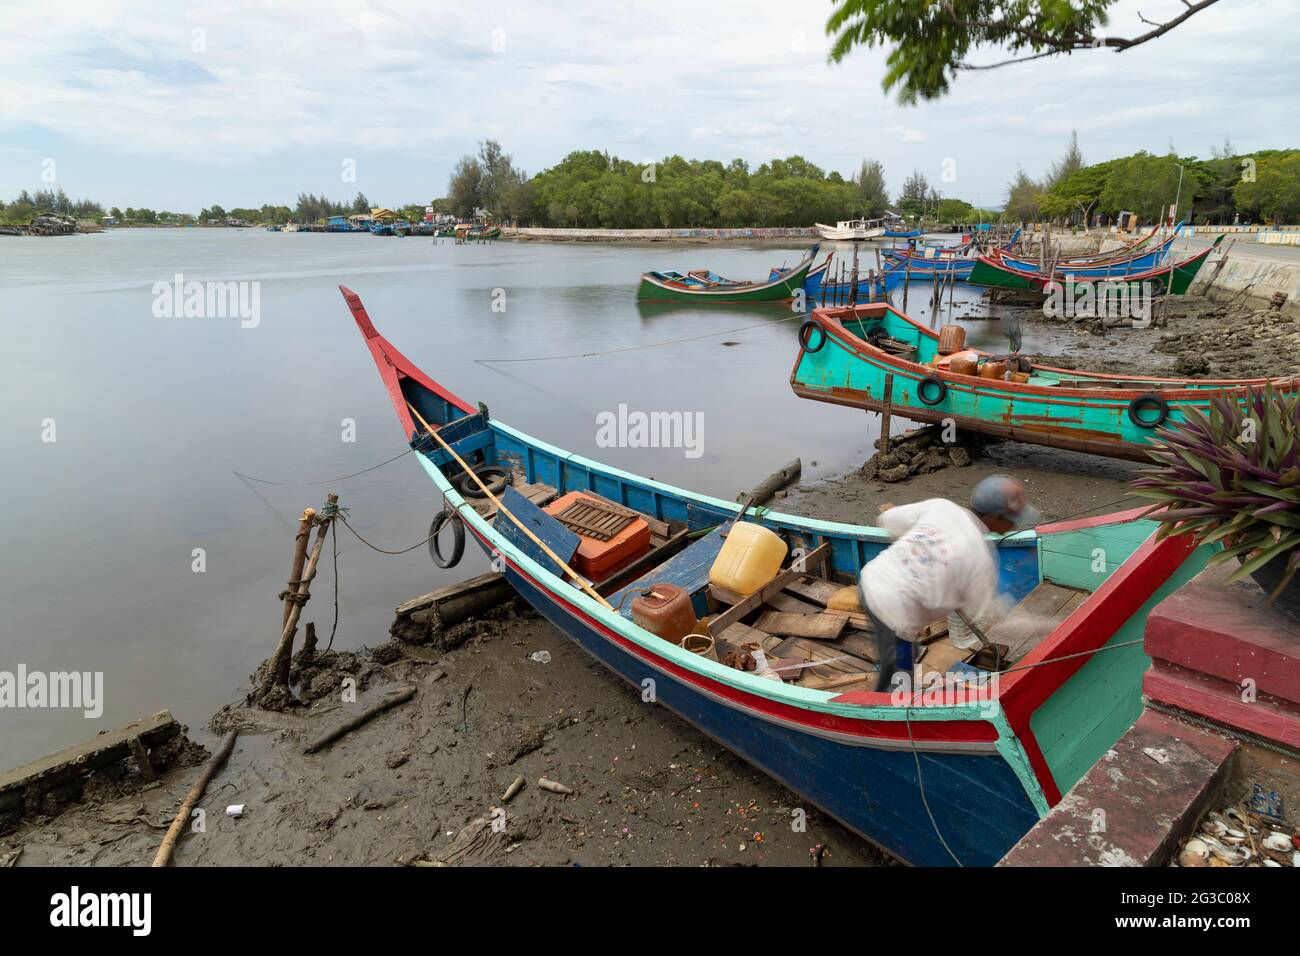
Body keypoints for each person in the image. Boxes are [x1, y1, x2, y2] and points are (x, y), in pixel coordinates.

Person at [858, 475, 1040, 692]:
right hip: (894, 612)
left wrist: (921, 548)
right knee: (899, 681)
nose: (1015, 524)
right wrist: (1038, 624)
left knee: (902, 657)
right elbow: (986, 612)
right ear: (996, 517)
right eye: (1013, 519)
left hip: (870, 579)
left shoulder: (941, 507)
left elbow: (887, 519)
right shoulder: (981, 559)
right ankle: (886, 717)